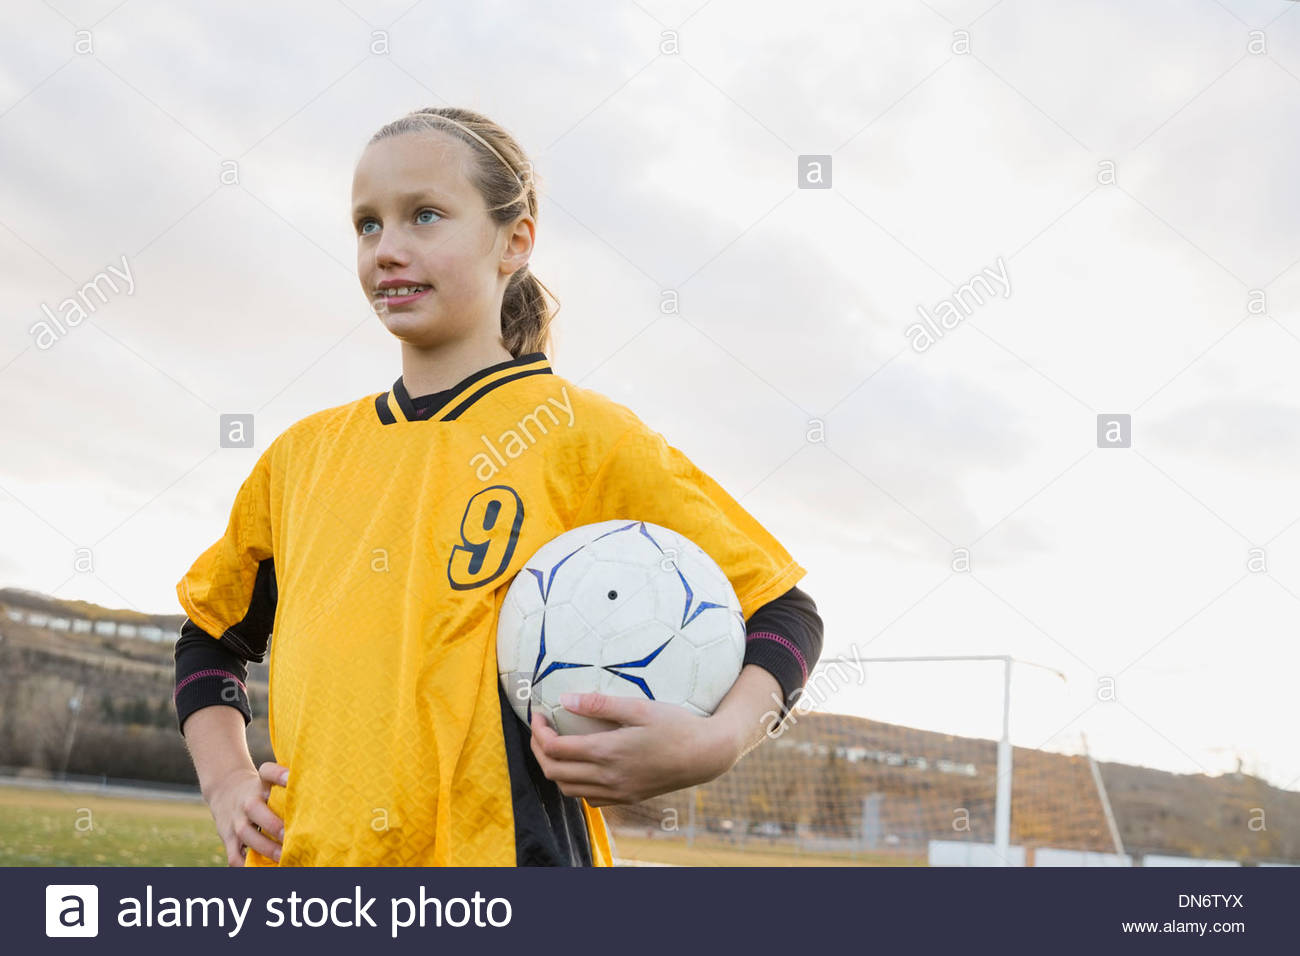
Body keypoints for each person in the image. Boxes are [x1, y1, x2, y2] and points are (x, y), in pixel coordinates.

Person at [172, 106, 823, 867]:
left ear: (515, 241)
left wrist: (715, 742)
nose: (387, 249)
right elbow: (209, 635)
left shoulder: (584, 437)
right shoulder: (301, 458)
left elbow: (784, 611)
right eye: (367, 225)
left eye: (424, 215)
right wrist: (227, 781)